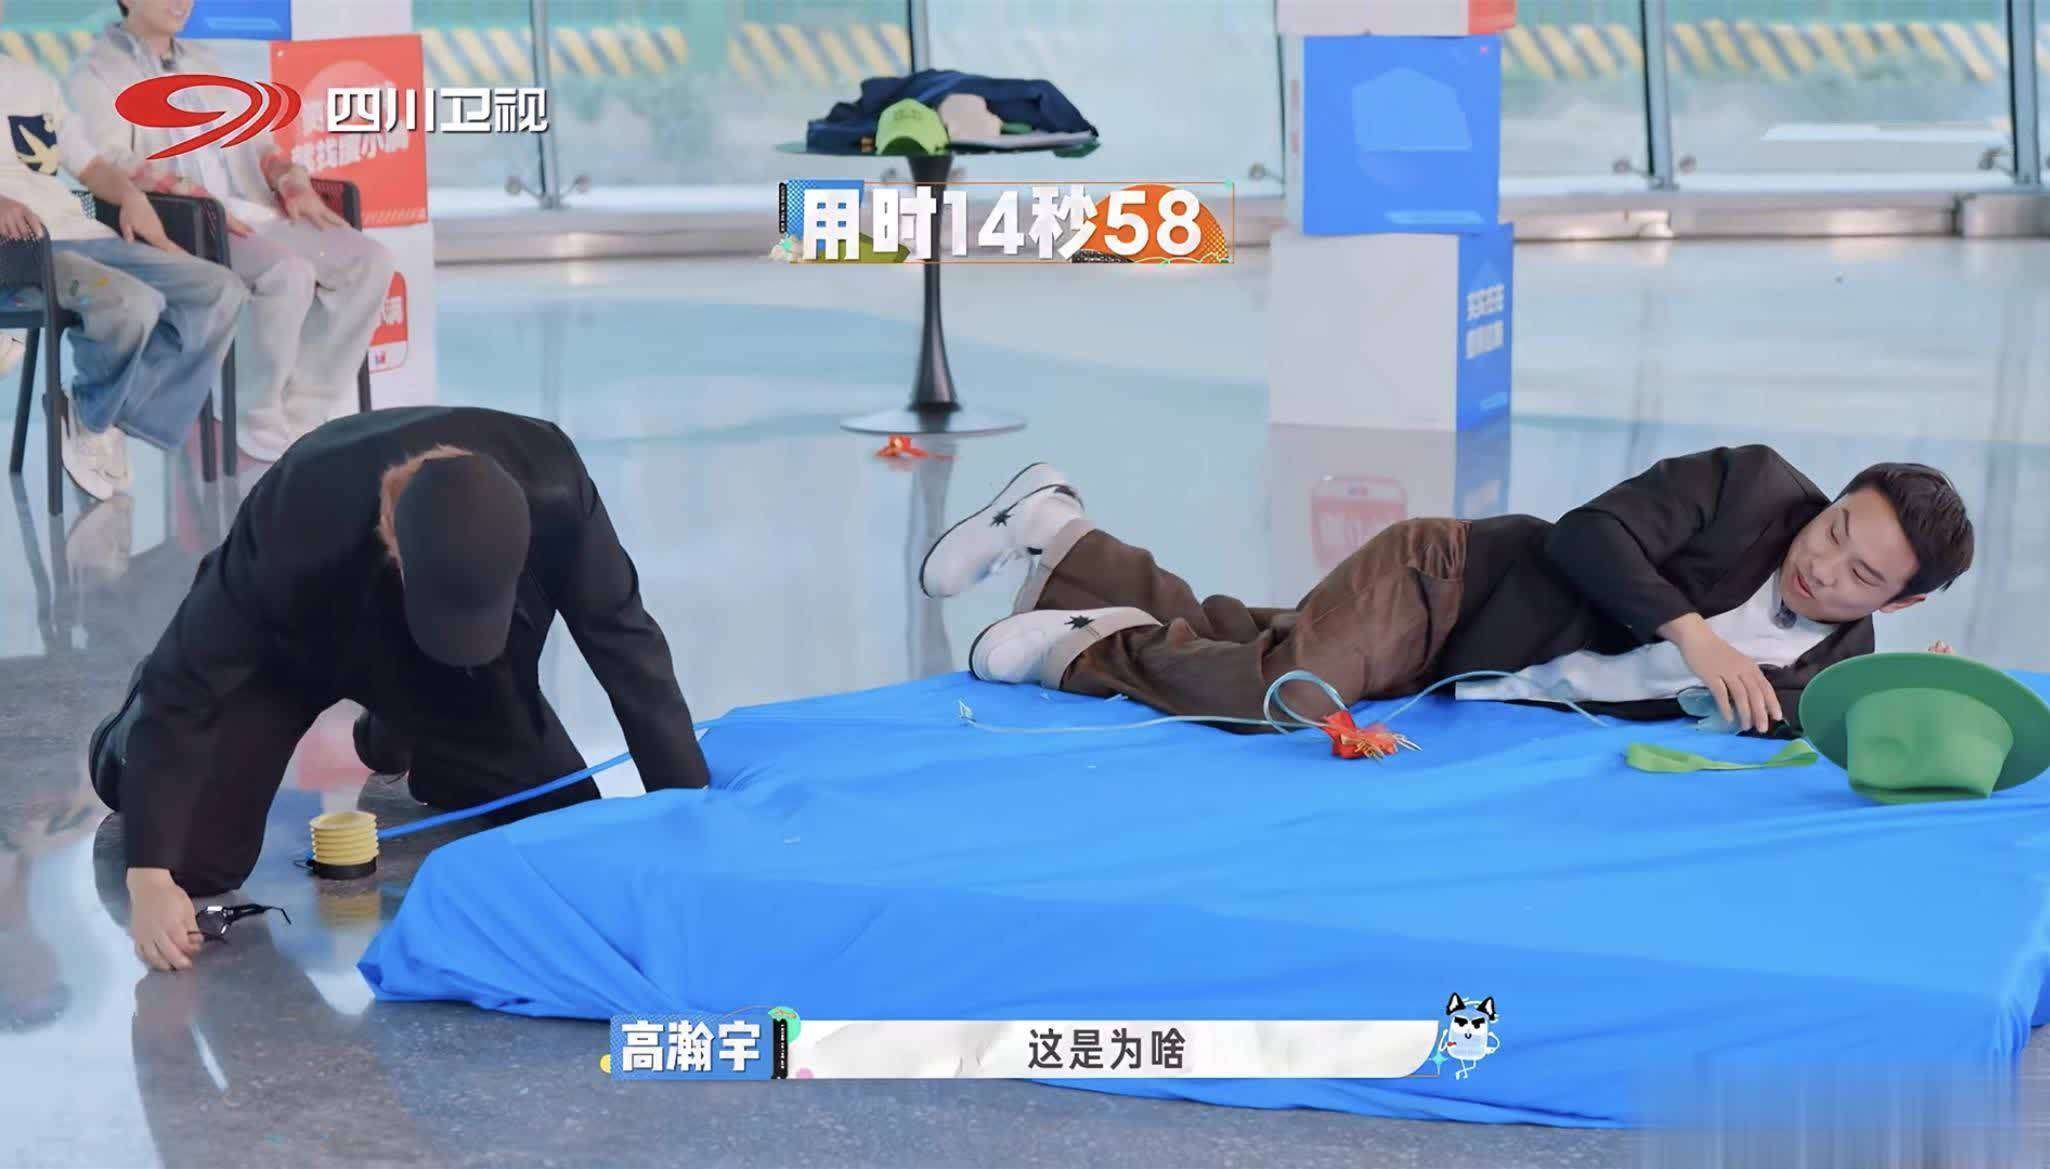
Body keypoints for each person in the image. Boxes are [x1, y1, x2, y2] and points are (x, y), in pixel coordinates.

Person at [88, 407, 711, 972]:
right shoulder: (298, 514)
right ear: (390, 531)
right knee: (197, 864)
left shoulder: (556, 488)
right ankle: (120, 742)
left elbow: (627, 646)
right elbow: (185, 686)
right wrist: (149, 877)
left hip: (447, 666)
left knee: (560, 827)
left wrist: (692, 811)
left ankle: (399, 727)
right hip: (289, 651)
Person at [925, 447, 1973, 738]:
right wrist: (1693, 634)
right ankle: (1080, 646)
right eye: (1834, 528)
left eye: (1861, 576)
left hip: (1472, 665)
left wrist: (1914, 705)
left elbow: (1820, 732)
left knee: (1245, 638)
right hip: (1448, 581)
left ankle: (1056, 528)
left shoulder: (1838, 666)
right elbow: (1590, 534)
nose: (1822, 564)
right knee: (1290, 693)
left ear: (1901, 603)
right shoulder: (1749, 486)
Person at [68, 0, 398, 464]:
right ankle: (255, 419)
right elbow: (110, 163)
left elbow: (258, 140)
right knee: (287, 273)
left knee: (370, 261)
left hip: (254, 210)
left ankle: (303, 414)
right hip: (185, 220)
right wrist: (190, 193)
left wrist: (291, 179)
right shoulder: (95, 73)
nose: (182, 2)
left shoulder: (204, 60)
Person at [0, 24, 246, 500]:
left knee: (220, 289)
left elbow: (90, 166)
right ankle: (99, 417)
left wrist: (132, 196)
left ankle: (98, 414)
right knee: (131, 303)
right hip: (20, 251)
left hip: (82, 234)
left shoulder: (31, 82)